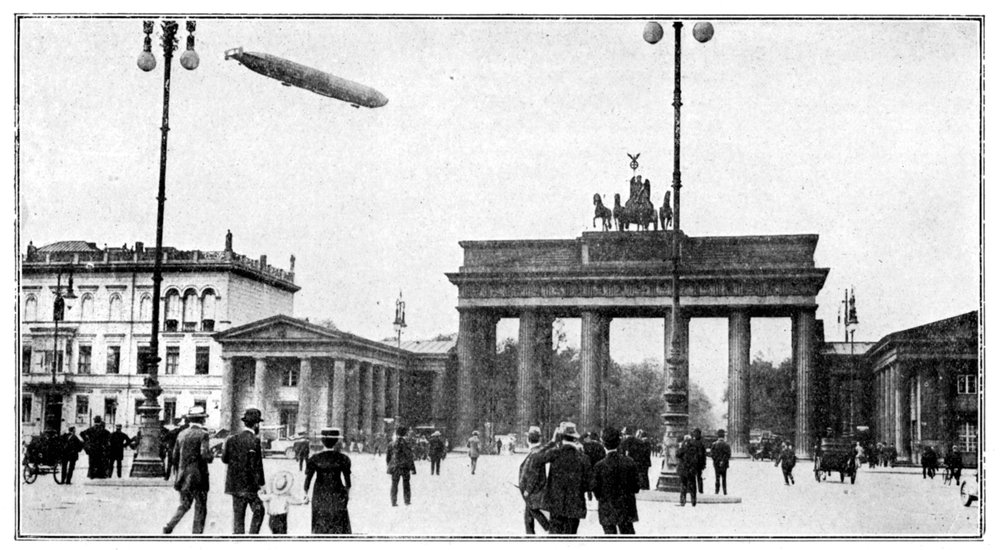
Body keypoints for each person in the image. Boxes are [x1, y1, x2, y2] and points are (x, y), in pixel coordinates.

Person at [163, 406, 213, 534]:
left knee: (184, 504)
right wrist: (211, 455)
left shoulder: (181, 434)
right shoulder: (203, 434)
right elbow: (204, 454)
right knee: (200, 506)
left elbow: (174, 457)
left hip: (183, 476)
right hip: (199, 476)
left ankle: (169, 526)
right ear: (202, 420)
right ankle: (197, 533)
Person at [537, 422, 590, 534]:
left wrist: (552, 441)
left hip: (555, 504)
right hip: (575, 505)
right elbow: (588, 484)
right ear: (575, 438)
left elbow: (537, 458)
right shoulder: (583, 458)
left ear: (560, 437)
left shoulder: (555, 453)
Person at [223, 408, 266, 534]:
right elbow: (257, 465)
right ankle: (252, 537)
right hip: (250, 486)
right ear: (256, 424)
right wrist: (261, 484)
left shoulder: (231, 439)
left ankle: (238, 542)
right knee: (259, 510)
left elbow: (225, 459)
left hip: (234, 485)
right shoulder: (255, 440)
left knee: (238, 518)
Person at [591, 426, 640, 535]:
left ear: (603, 443)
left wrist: (602, 498)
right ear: (619, 442)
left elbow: (595, 489)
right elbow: (636, 487)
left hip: (607, 507)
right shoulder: (630, 462)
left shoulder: (599, 466)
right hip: (626, 506)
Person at [304, 428, 352, 534]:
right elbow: (348, 483)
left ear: (322, 441)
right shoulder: (344, 458)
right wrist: (346, 495)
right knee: (339, 524)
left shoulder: (314, 459)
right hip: (337, 492)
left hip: (319, 494)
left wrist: (306, 494)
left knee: (320, 523)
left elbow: (308, 480)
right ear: (337, 442)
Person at [519, 426, 551, 535]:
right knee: (529, 516)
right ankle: (531, 534)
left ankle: (550, 530)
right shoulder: (537, 451)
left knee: (534, 512)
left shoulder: (534, 453)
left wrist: (527, 490)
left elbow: (533, 474)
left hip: (532, 492)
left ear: (528, 440)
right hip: (534, 491)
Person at [261, 470, 305, 535]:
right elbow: (295, 501)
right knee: (282, 535)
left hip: (272, 518)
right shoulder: (286, 496)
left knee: (274, 534)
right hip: (281, 518)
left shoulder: (271, 495)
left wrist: (260, 493)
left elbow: (263, 497)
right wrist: (303, 501)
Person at [386, 425, 416, 506]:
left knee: (394, 484)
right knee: (406, 484)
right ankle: (407, 500)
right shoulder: (407, 444)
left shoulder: (391, 444)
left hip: (395, 466)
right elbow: (410, 457)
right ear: (405, 433)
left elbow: (388, 458)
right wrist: (413, 468)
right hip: (405, 467)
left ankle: (393, 501)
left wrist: (389, 466)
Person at [581, 431, 607, 501]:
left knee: (589, 479)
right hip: (598, 465)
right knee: (598, 480)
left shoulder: (585, 446)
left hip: (589, 465)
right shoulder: (600, 446)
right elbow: (604, 456)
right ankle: (597, 494)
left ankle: (589, 492)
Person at [676, 435, 698, 507]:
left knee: (683, 484)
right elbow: (696, 457)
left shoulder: (682, 447)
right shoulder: (693, 447)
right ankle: (693, 500)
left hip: (683, 469)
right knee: (692, 485)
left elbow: (677, 454)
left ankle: (682, 500)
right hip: (691, 469)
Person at [710, 429, 732, 495]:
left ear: (718, 436)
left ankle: (717, 491)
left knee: (717, 477)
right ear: (724, 436)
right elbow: (728, 454)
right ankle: (725, 491)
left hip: (716, 463)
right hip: (724, 464)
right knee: (724, 478)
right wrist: (723, 460)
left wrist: (717, 460)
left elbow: (712, 454)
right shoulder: (727, 445)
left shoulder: (714, 444)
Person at [690, 428, 707, 494]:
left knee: (693, 477)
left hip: (694, 463)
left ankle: (694, 490)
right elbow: (703, 455)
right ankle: (700, 490)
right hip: (699, 463)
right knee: (699, 477)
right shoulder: (701, 443)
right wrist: (704, 464)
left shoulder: (692, 442)